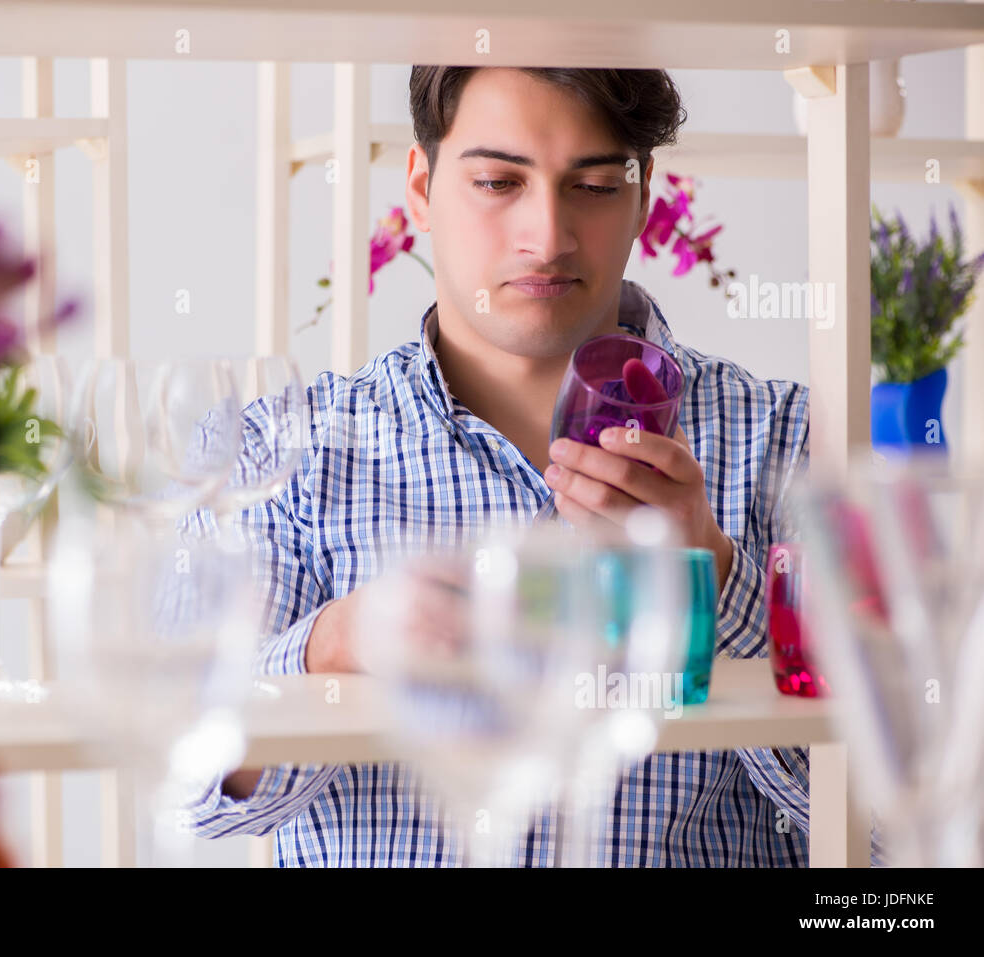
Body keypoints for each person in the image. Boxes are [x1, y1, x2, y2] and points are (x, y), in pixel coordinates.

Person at [181, 66, 877, 866]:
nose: (547, 237)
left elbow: (899, 819)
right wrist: (333, 645)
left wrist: (719, 581)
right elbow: (194, 797)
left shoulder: (793, 438)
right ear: (421, 186)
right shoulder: (280, 449)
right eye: (497, 181)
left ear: (644, 195)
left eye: (593, 184)